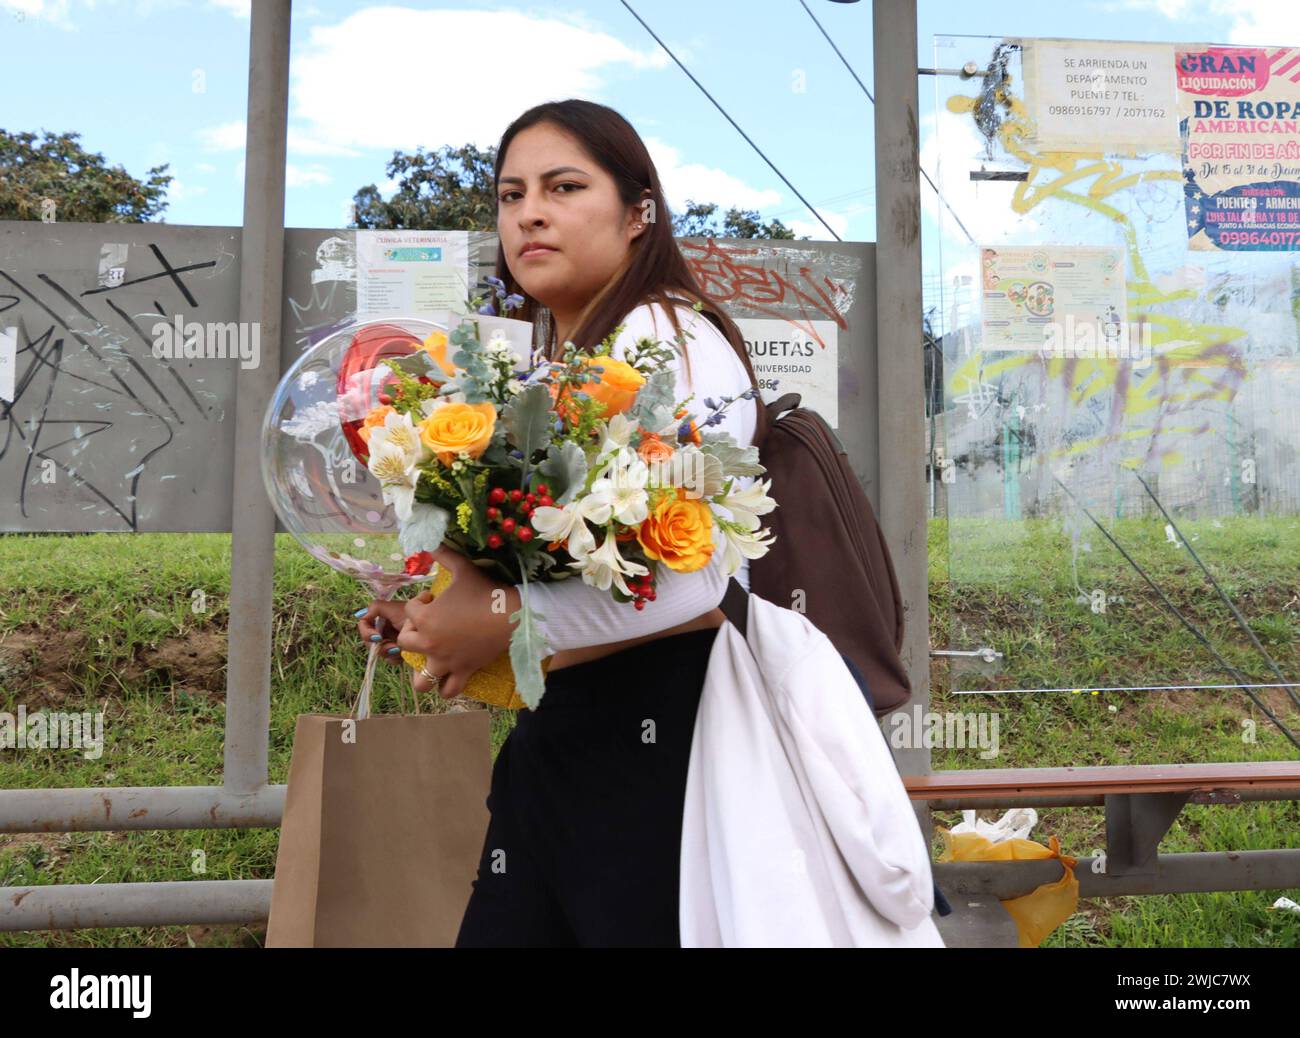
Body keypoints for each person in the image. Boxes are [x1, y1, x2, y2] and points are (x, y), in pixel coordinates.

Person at [357, 98, 765, 946]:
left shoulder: (674, 340)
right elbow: (551, 567)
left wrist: (502, 621)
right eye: (510, 195)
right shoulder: (563, 359)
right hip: (571, 738)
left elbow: (697, 573)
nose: (529, 212)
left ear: (639, 211)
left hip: (662, 742)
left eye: (564, 186)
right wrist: (439, 612)